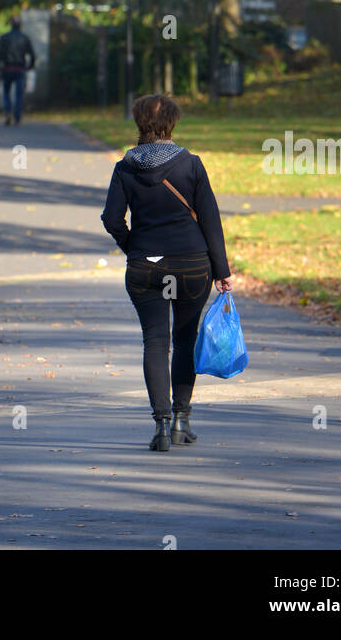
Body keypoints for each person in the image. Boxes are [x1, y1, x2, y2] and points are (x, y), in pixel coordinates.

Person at [100, 93, 233, 452]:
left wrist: (136, 249)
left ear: (139, 123)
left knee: (155, 342)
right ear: (172, 123)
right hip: (191, 264)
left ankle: (160, 425)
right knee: (185, 340)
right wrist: (222, 269)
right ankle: (181, 420)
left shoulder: (125, 167)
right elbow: (210, 220)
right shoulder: (191, 164)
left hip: (146, 267)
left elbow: (112, 219)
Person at [0, 14, 35, 125]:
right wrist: (29, 67)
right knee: (19, 95)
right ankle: (17, 117)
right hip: (20, 69)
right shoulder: (25, 38)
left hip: (7, 68)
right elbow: (32, 55)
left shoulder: (4, 38)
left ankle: (8, 111)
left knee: (6, 92)